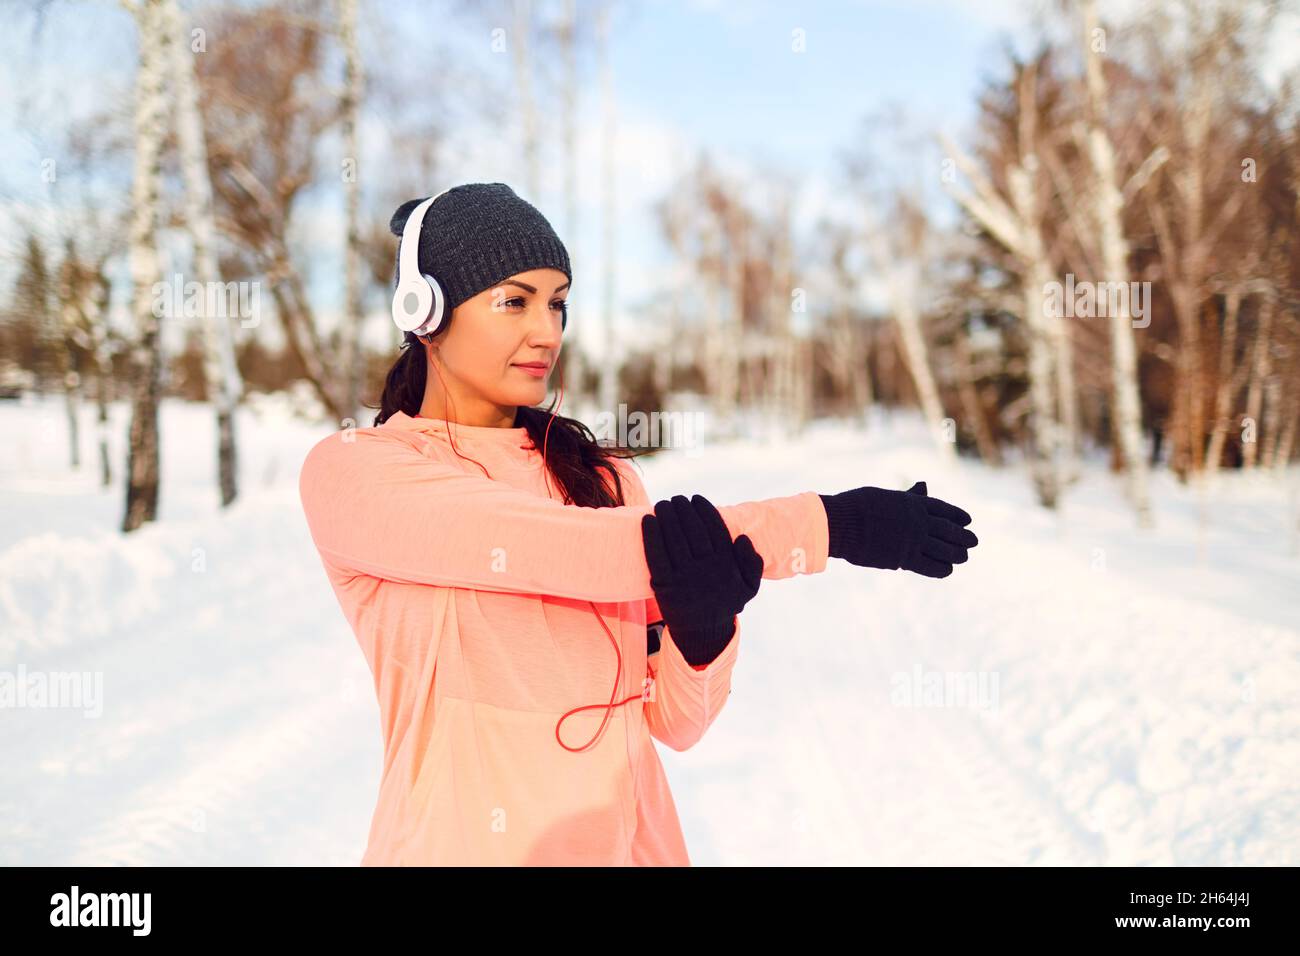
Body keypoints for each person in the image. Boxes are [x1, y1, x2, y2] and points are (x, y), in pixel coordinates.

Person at [297, 183, 979, 866]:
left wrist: (702, 636)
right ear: (424, 309)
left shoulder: (602, 479)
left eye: (558, 303)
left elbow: (675, 723)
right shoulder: (359, 472)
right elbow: (564, 549)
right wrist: (833, 523)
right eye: (514, 301)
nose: (546, 331)